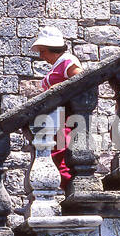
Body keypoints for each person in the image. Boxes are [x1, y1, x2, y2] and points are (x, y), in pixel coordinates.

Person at [31, 26, 82, 190]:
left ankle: (73, 192)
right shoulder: (59, 64)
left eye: (43, 51)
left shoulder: (68, 61)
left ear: (52, 49)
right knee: (55, 156)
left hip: (63, 118)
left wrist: (58, 88)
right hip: (55, 119)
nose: (41, 56)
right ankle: (70, 192)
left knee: (59, 156)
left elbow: (82, 80)